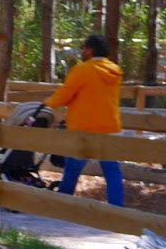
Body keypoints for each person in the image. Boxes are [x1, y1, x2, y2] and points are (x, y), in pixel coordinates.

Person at [45, 34, 125, 208]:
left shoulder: (82, 70)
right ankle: (117, 210)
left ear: (89, 50)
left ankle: (62, 204)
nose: (82, 51)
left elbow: (64, 94)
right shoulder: (115, 71)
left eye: (83, 48)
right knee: (112, 171)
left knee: (72, 169)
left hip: (83, 128)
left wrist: (48, 105)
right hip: (110, 127)